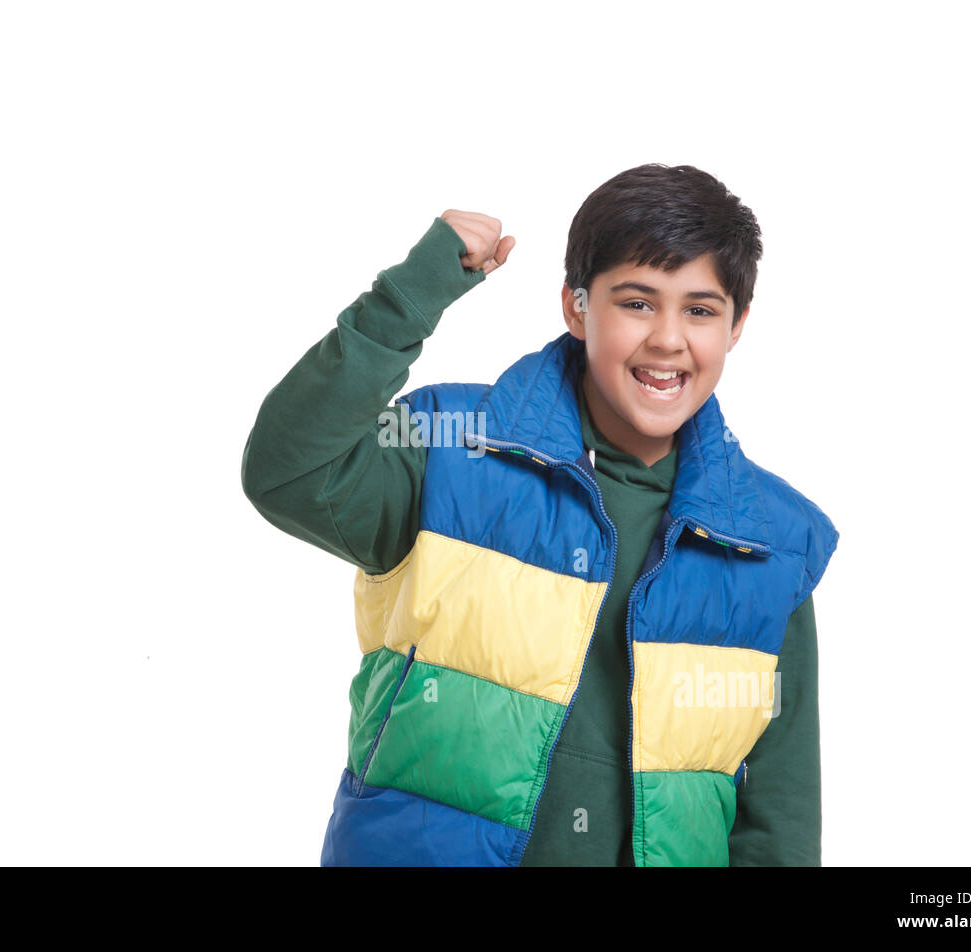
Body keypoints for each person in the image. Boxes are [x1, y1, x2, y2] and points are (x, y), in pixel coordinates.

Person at [240, 163, 839, 866]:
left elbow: (781, 820)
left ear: (736, 327)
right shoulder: (453, 446)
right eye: (637, 303)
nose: (669, 340)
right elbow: (289, 471)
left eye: (701, 310)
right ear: (577, 307)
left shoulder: (769, 544)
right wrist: (410, 294)